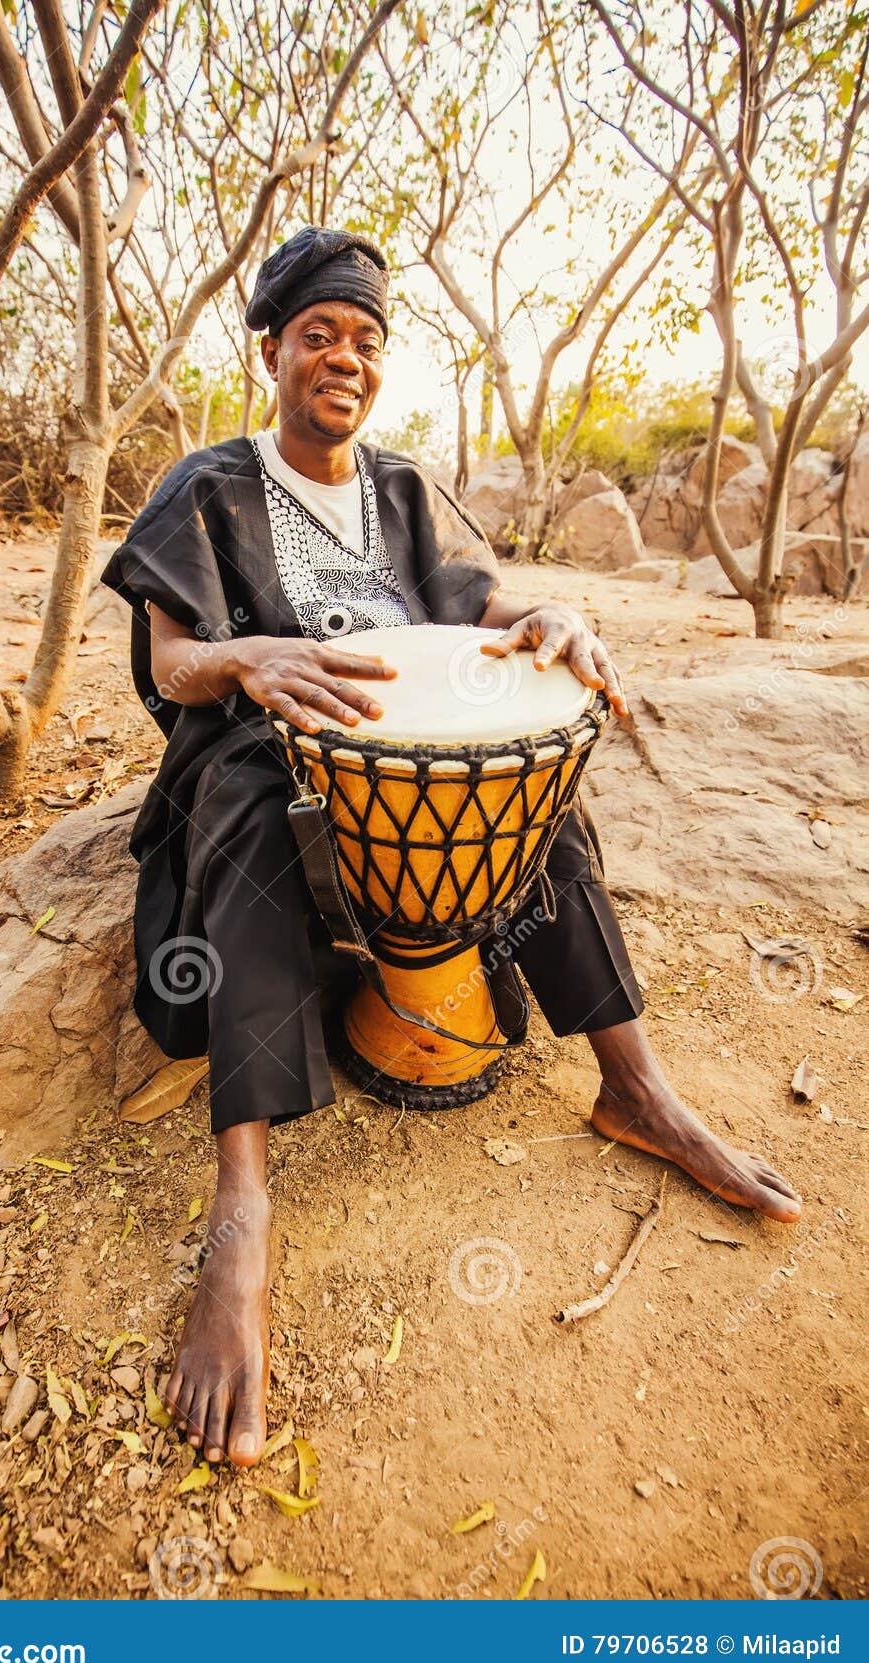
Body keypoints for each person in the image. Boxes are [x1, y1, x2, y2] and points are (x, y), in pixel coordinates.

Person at [102, 226, 801, 1472]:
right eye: (318, 333)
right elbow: (170, 662)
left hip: (405, 770)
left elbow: (483, 610)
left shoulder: (403, 488)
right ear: (269, 349)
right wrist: (246, 658)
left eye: (366, 340)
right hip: (264, 752)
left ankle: (633, 1085)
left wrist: (552, 614)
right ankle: (244, 1210)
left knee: (536, 793)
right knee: (253, 817)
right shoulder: (203, 487)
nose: (344, 358)